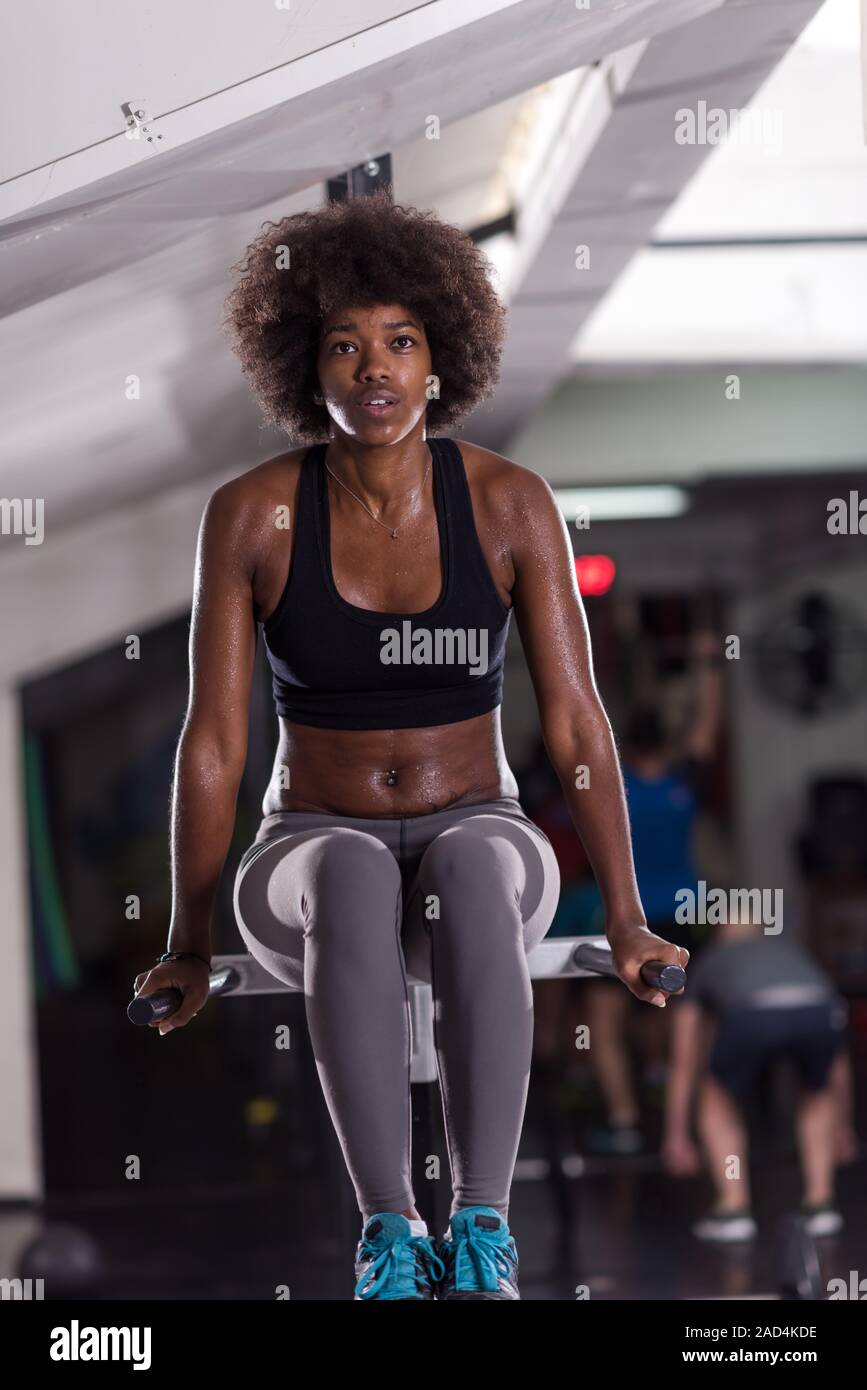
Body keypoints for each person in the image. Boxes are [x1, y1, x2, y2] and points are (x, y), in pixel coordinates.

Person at [132, 189, 686, 1301]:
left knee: (478, 861)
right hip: (308, 842)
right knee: (344, 868)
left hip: (476, 821)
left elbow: (577, 722)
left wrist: (625, 915)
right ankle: (390, 1229)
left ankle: (482, 1226)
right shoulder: (250, 514)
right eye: (345, 346)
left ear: (441, 356)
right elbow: (216, 744)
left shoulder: (508, 502)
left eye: (400, 342)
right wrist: (188, 940)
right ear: (307, 365)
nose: (374, 369)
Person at [584, 634, 722, 1154]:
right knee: (671, 1010)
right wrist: (709, 663)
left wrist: (611, 643)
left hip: (627, 919)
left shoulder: (611, 780)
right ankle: (669, 1092)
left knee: (605, 1022)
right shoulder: (682, 777)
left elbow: (592, 718)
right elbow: (705, 726)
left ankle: (623, 1119)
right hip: (677, 914)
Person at [662, 910, 853, 1242]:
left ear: (720, 932)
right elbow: (838, 1064)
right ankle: (820, 1206)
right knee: (817, 1093)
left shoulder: (709, 960)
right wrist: (844, 1125)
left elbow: (684, 1059)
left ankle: (734, 1210)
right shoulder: (793, 954)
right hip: (819, 1012)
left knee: (716, 1099)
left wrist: (676, 1135)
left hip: (753, 1013)